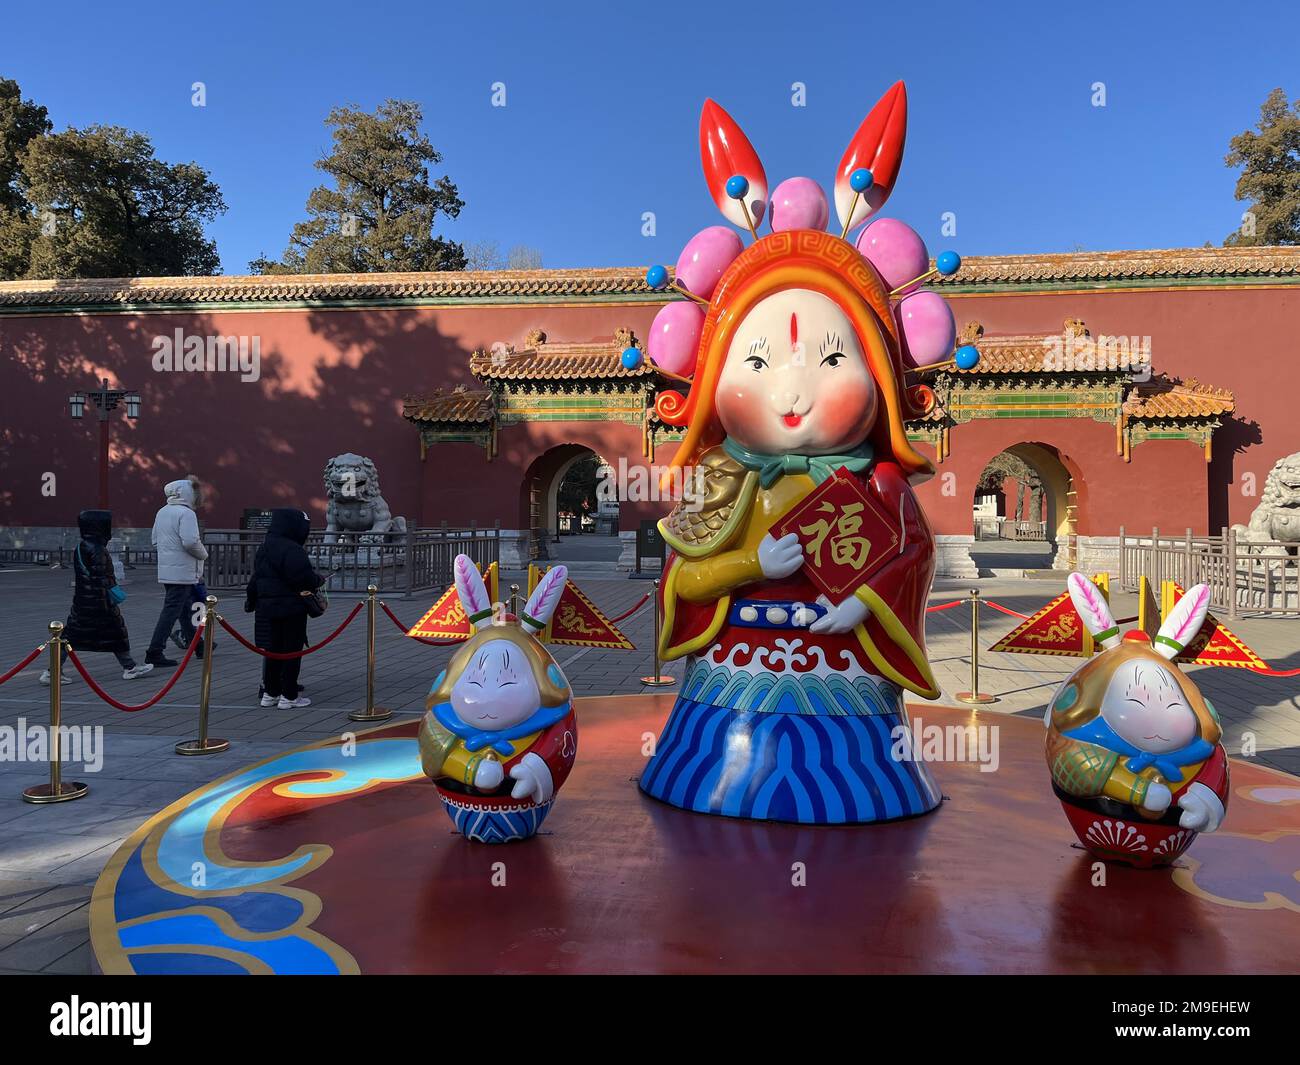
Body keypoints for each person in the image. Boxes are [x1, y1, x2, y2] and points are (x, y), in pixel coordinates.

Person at [46, 510, 154, 683]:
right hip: (99, 601)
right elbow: (100, 576)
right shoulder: (97, 548)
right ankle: (130, 667)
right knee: (115, 632)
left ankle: (52, 671)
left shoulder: (82, 546)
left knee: (72, 635)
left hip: (84, 600)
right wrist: (108, 599)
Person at [245, 508, 323, 709]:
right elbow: (303, 578)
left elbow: (256, 578)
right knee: (291, 651)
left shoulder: (265, 547)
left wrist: (251, 600)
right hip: (291, 607)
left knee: (273, 650)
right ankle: (289, 695)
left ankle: (270, 693)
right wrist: (318, 580)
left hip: (267, 607)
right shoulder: (292, 549)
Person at [146, 476, 208, 667]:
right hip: (183, 571)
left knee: (183, 608)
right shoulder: (187, 514)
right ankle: (154, 651)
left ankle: (198, 646)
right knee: (172, 611)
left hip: (168, 570)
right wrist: (203, 554)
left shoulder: (162, 511)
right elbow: (190, 542)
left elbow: (155, 540)